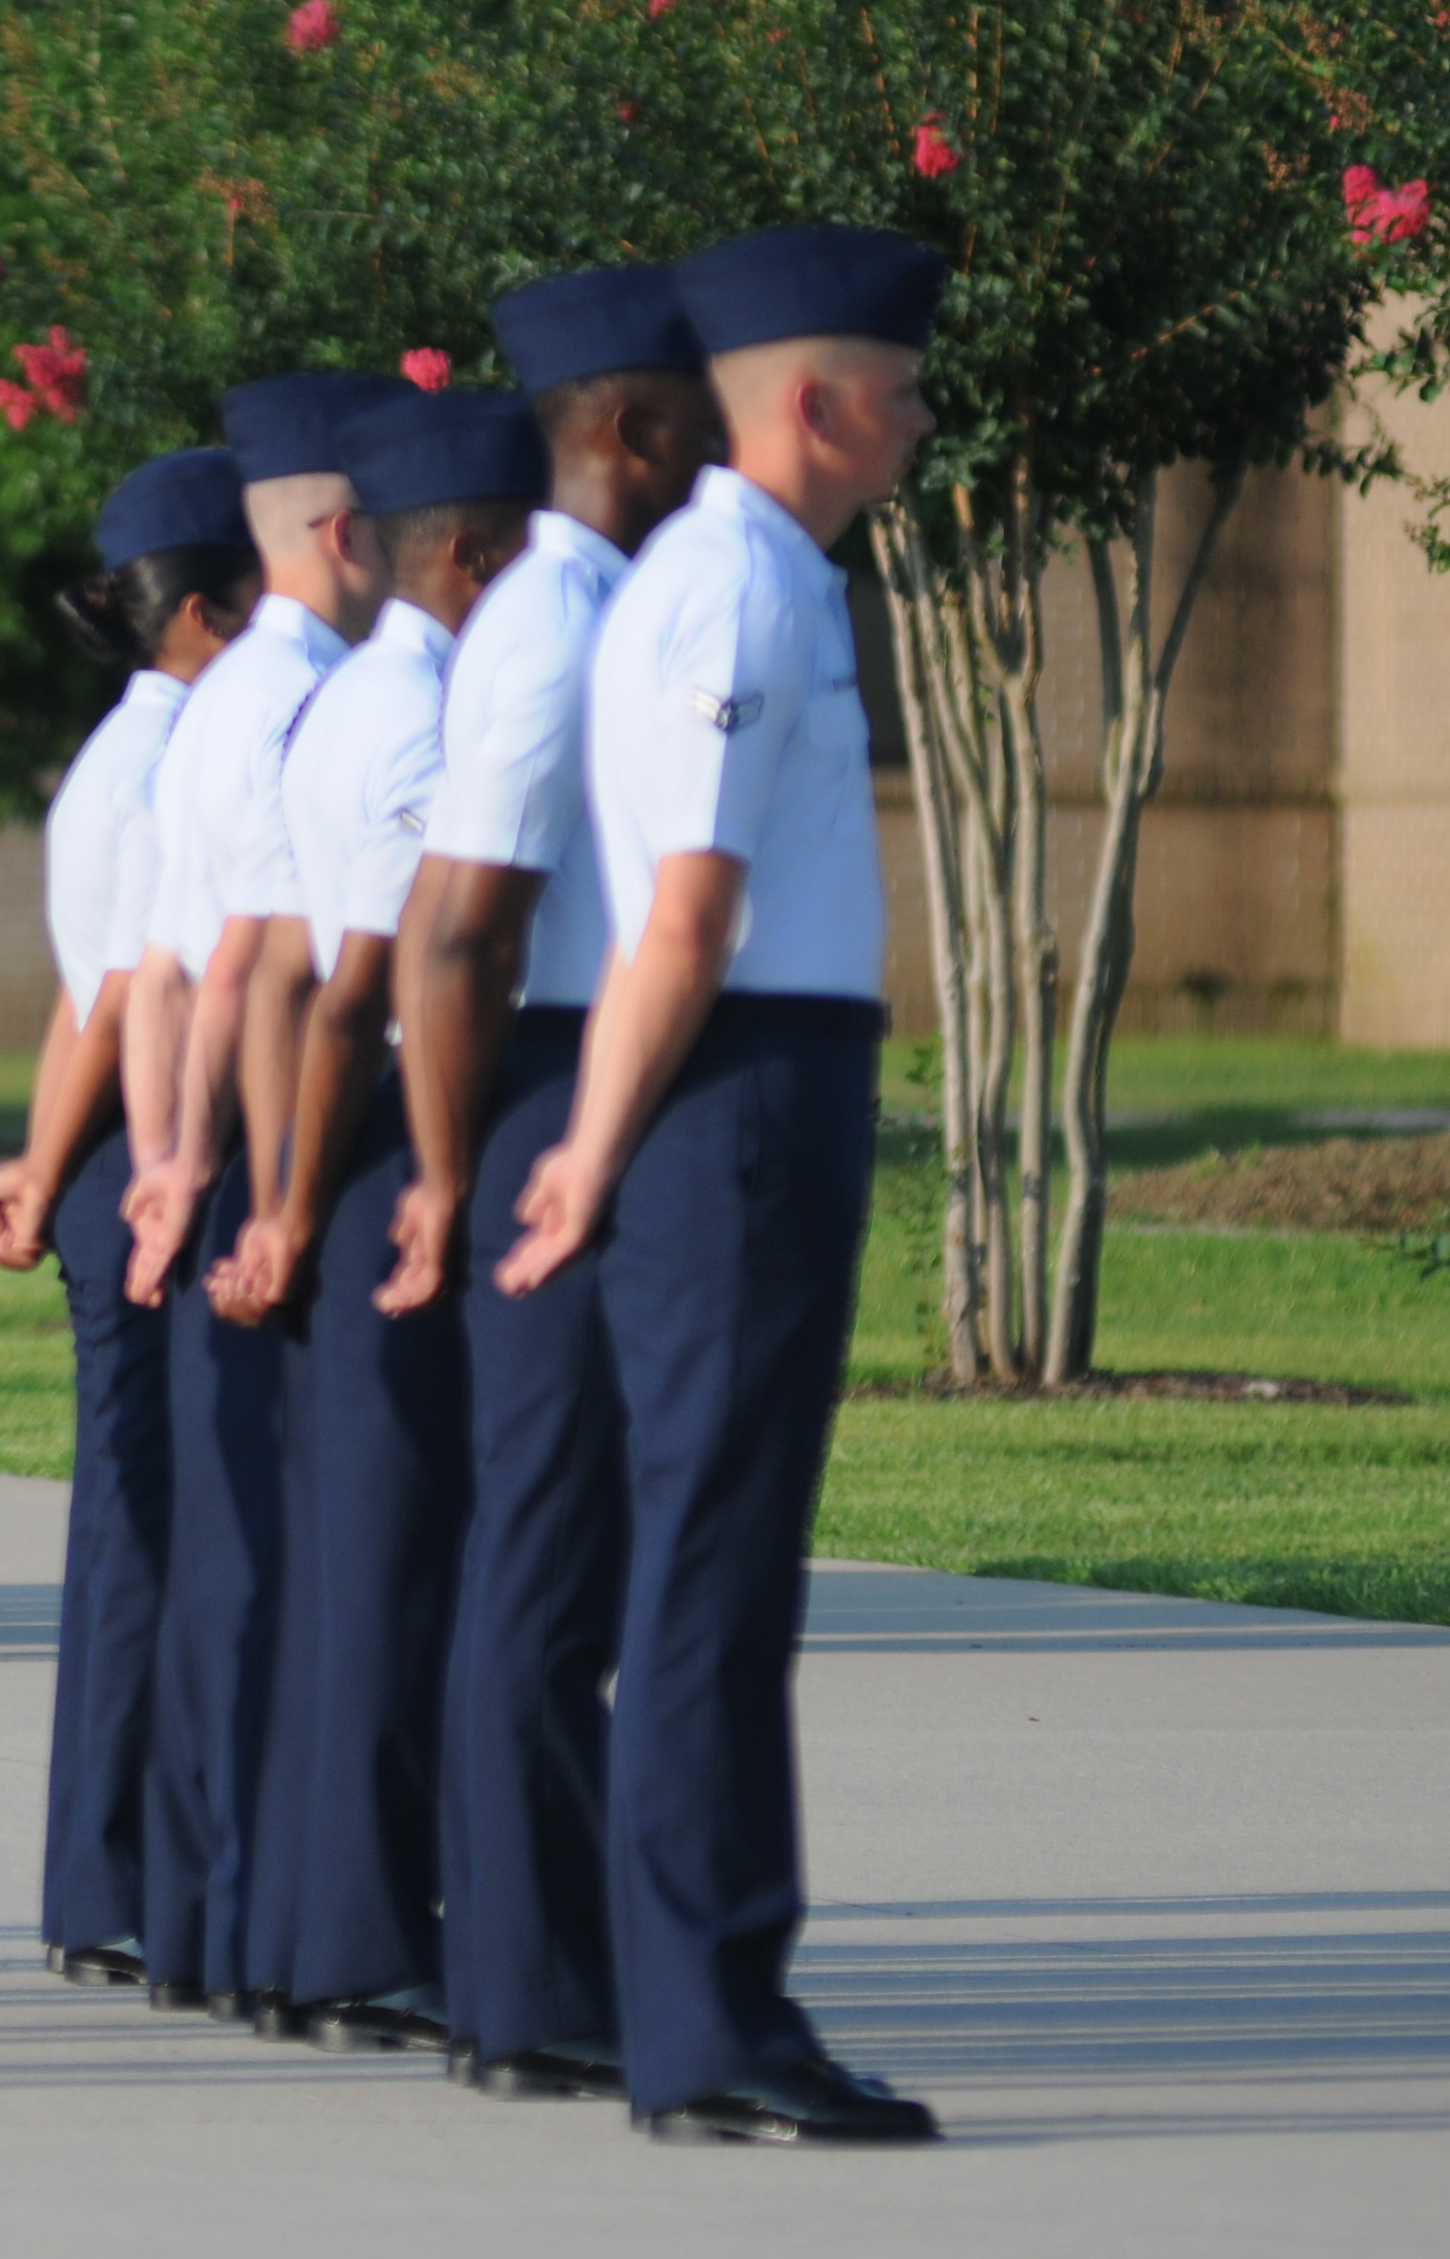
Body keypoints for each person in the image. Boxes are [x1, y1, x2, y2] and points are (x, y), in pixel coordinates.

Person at [498, 221, 945, 2147]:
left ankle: (705, 2004)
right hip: (732, 1103)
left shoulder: (732, 573)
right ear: (825, 407)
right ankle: (709, 2021)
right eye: (906, 391)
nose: (922, 422)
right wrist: (592, 1155)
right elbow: (678, 914)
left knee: (712, 1567)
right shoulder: (737, 585)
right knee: (710, 1572)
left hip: (741, 1086)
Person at [379, 263, 721, 2102]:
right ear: (618, 429)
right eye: (689, 423)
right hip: (523, 1092)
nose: (712, 458)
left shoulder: (593, 602)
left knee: (554, 1554)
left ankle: (533, 1968)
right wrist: (446, 1173)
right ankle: (520, 1983)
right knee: (545, 1555)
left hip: (538, 1087)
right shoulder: (552, 617)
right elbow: (449, 933)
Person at [219, 388, 548, 2051]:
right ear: (472, 554)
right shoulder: (417, 720)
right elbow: (362, 992)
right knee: (388, 1566)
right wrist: (318, 1199)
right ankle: (357, 1937)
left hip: (341, 1163)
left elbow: (282, 974)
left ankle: (312, 1930)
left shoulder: (352, 699)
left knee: (362, 1559)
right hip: (392, 1153)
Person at [112, 368, 391, 2014]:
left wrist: (174, 1165)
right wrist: (264, 1189)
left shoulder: (217, 700)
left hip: (224, 1159)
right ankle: (298, 1934)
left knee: (236, 1565)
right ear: (344, 527)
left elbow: (177, 980)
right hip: (293, 1160)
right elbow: (267, 975)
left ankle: (217, 1927)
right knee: (307, 1560)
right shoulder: (297, 700)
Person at [0, 448, 256, 1991]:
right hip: (153, 1166)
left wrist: (29, 1159)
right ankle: (119, 1873)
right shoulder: (165, 764)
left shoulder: (128, 750)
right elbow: (131, 990)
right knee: (151, 1524)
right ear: (203, 611)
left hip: (110, 1159)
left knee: (135, 1518)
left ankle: (108, 1874)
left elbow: (86, 992)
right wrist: (66, 1161)